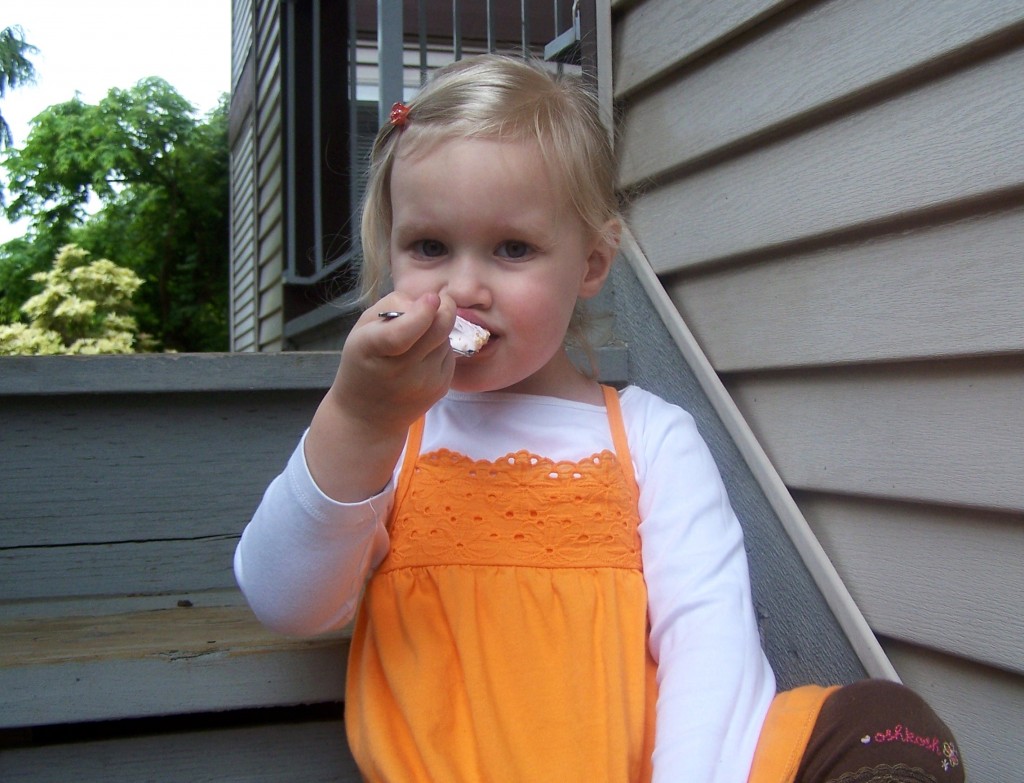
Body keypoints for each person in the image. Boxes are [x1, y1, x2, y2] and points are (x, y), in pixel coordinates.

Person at [234, 54, 964, 783]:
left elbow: (708, 637)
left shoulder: (649, 435)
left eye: (511, 248)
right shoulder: (391, 434)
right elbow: (287, 600)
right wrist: (358, 420)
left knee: (888, 726)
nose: (463, 286)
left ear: (591, 261)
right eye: (429, 247)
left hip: (655, 764)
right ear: (390, 250)